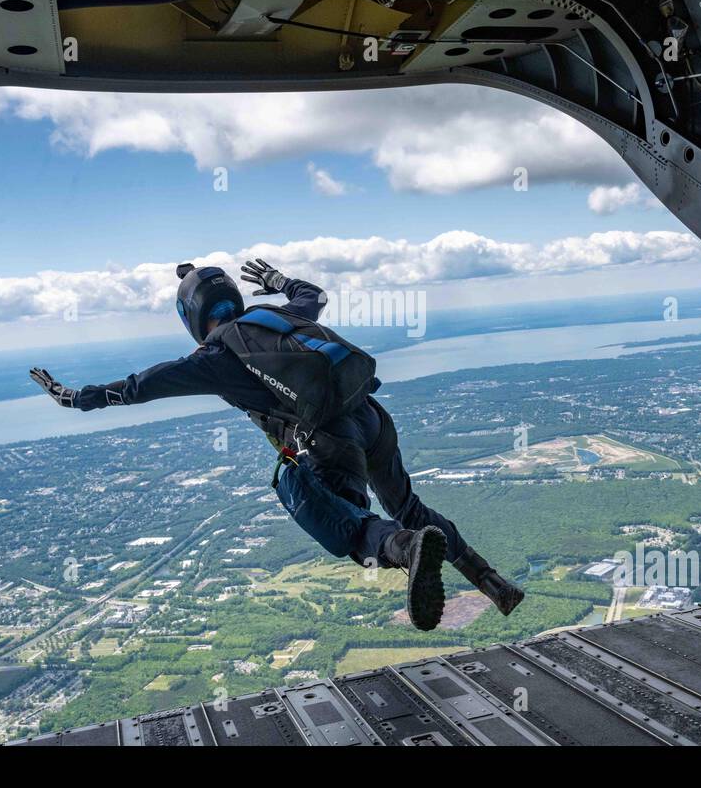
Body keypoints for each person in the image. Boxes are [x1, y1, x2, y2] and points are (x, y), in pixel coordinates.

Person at [30, 259, 523, 631]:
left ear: (191, 316)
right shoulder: (277, 319)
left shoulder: (216, 356)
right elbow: (313, 293)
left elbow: (141, 385)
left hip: (329, 438)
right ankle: (491, 582)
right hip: (372, 417)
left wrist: (75, 399)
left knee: (343, 523)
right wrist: (278, 281)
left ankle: (403, 546)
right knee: (408, 505)